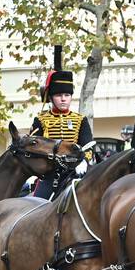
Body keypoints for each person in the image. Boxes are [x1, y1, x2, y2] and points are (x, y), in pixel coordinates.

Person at [31, 68, 92, 198]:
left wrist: (84, 161)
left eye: (67, 95)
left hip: (76, 171)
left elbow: (87, 145)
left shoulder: (80, 120)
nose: (63, 99)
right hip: (50, 173)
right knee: (37, 203)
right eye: (59, 95)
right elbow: (34, 147)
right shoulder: (41, 120)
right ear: (51, 97)